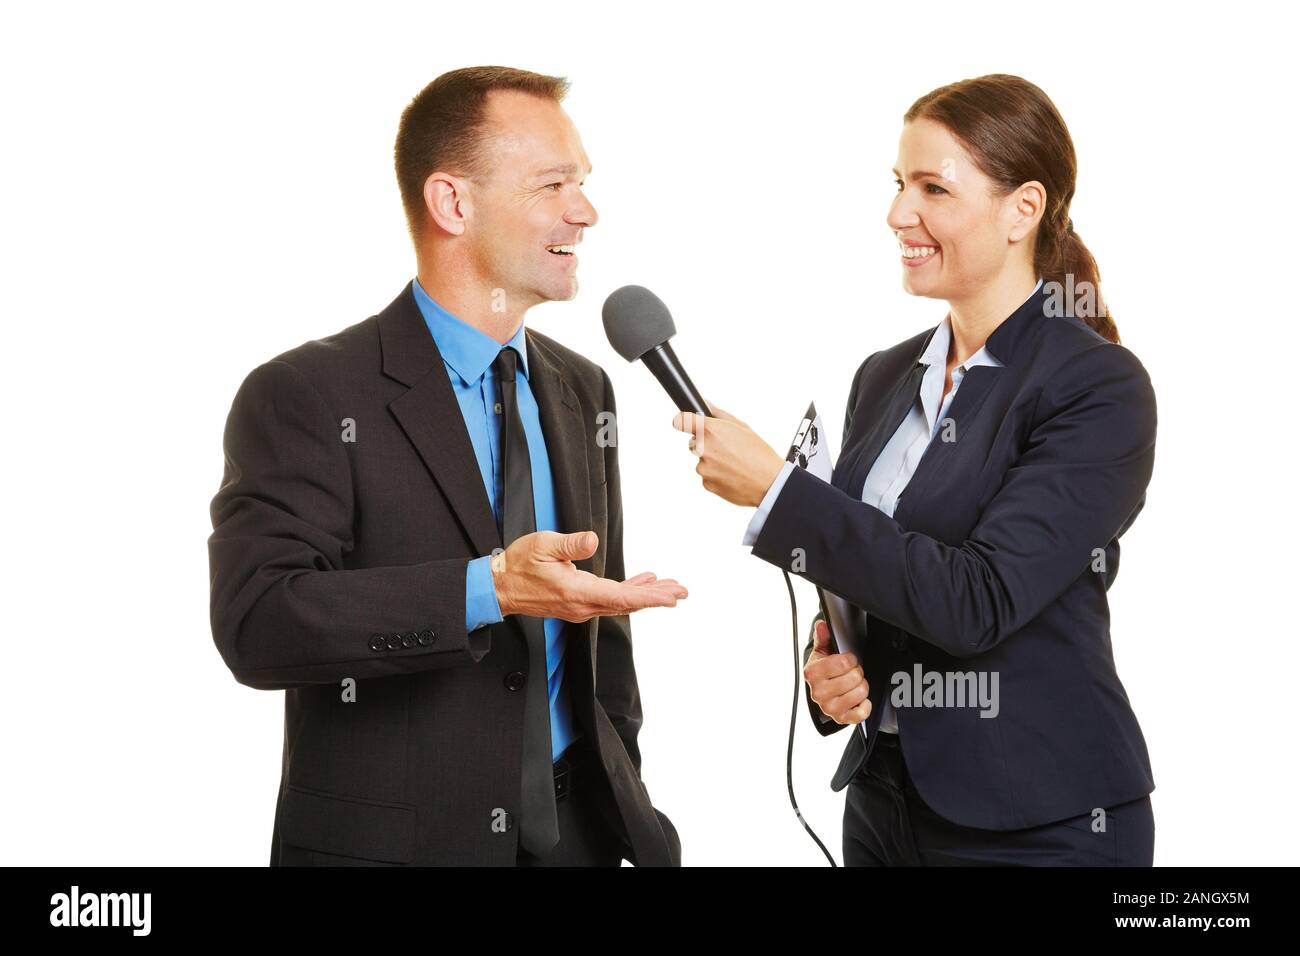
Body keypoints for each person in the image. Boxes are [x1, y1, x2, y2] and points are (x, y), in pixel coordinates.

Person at [208, 66, 687, 867]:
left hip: (585, 841)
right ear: (453, 203)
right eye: (553, 184)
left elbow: (606, 633)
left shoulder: (582, 386)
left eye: (584, 182)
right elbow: (260, 622)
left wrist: (626, 801)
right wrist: (487, 588)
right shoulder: (306, 394)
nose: (586, 210)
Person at [672, 74, 1156, 866]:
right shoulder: (884, 377)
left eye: (934, 187)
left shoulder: (1097, 386)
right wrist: (835, 674)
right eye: (900, 184)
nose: (900, 213)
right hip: (884, 803)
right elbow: (879, 577)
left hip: (1040, 825)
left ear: (1022, 209)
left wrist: (776, 492)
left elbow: (979, 600)